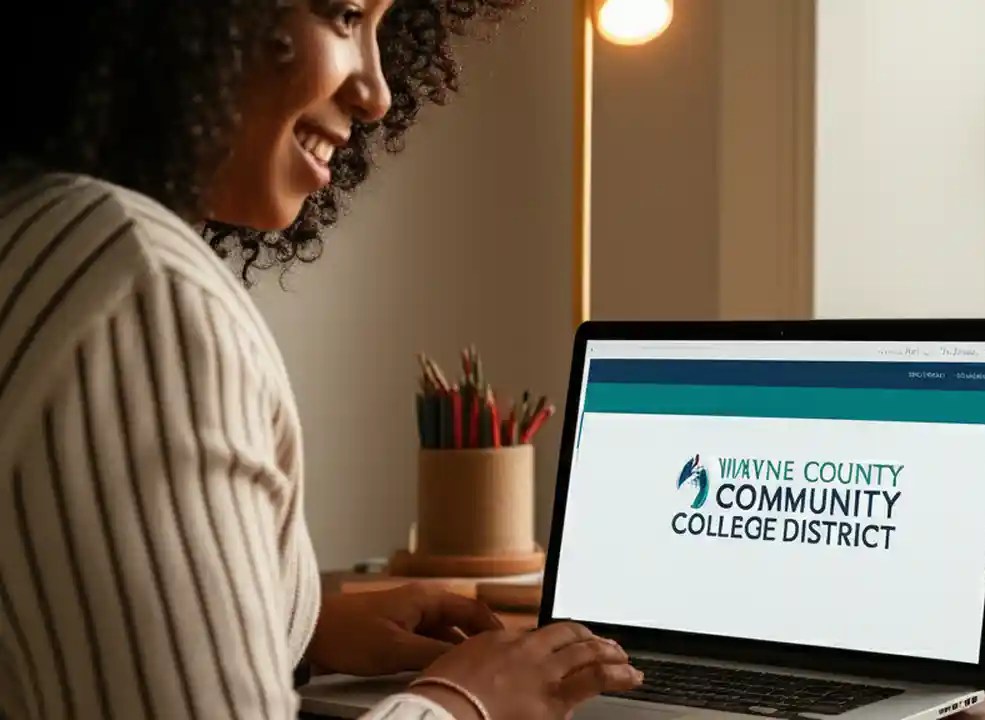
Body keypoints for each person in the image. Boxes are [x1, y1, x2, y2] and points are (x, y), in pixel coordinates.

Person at [0, 2, 642, 719]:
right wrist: (469, 703)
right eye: (343, 15)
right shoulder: (140, 287)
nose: (377, 89)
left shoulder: (34, 231)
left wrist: (294, 628)